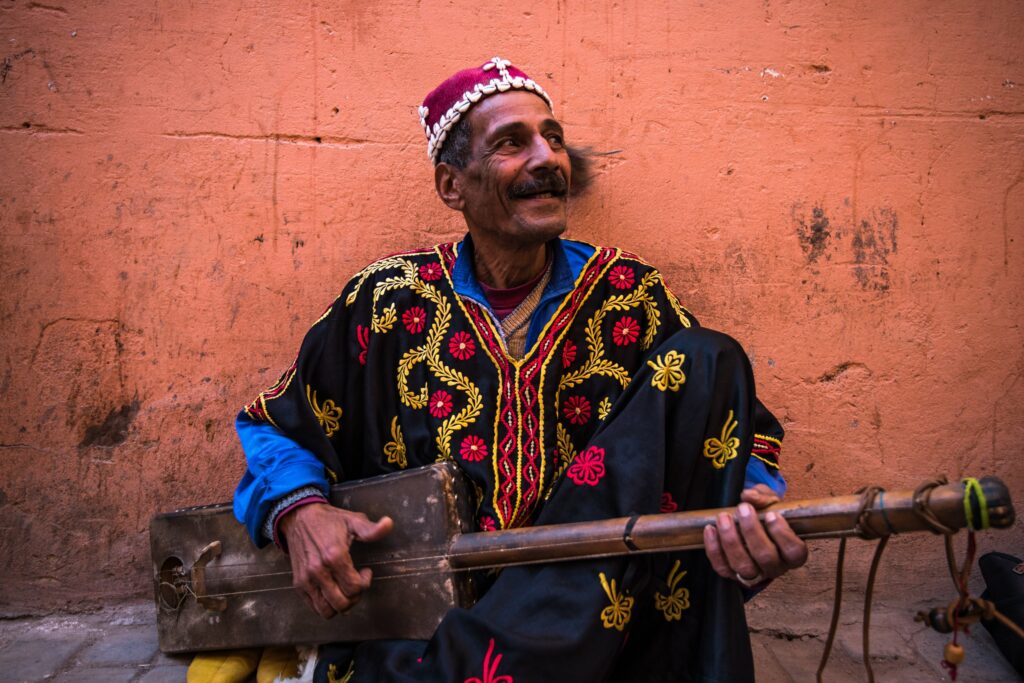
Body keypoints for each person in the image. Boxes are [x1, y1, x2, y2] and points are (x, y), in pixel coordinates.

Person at [232, 57, 807, 682]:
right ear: (453, 187)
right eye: (512, 144)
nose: (547, 158)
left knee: (708, 357)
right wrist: (299, 510)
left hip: (606, 619)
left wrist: (749, 507)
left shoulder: (629, 295)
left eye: (553, 138)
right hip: (436, 622)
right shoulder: (386, 301)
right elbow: (277, 424)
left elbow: (733, 433)